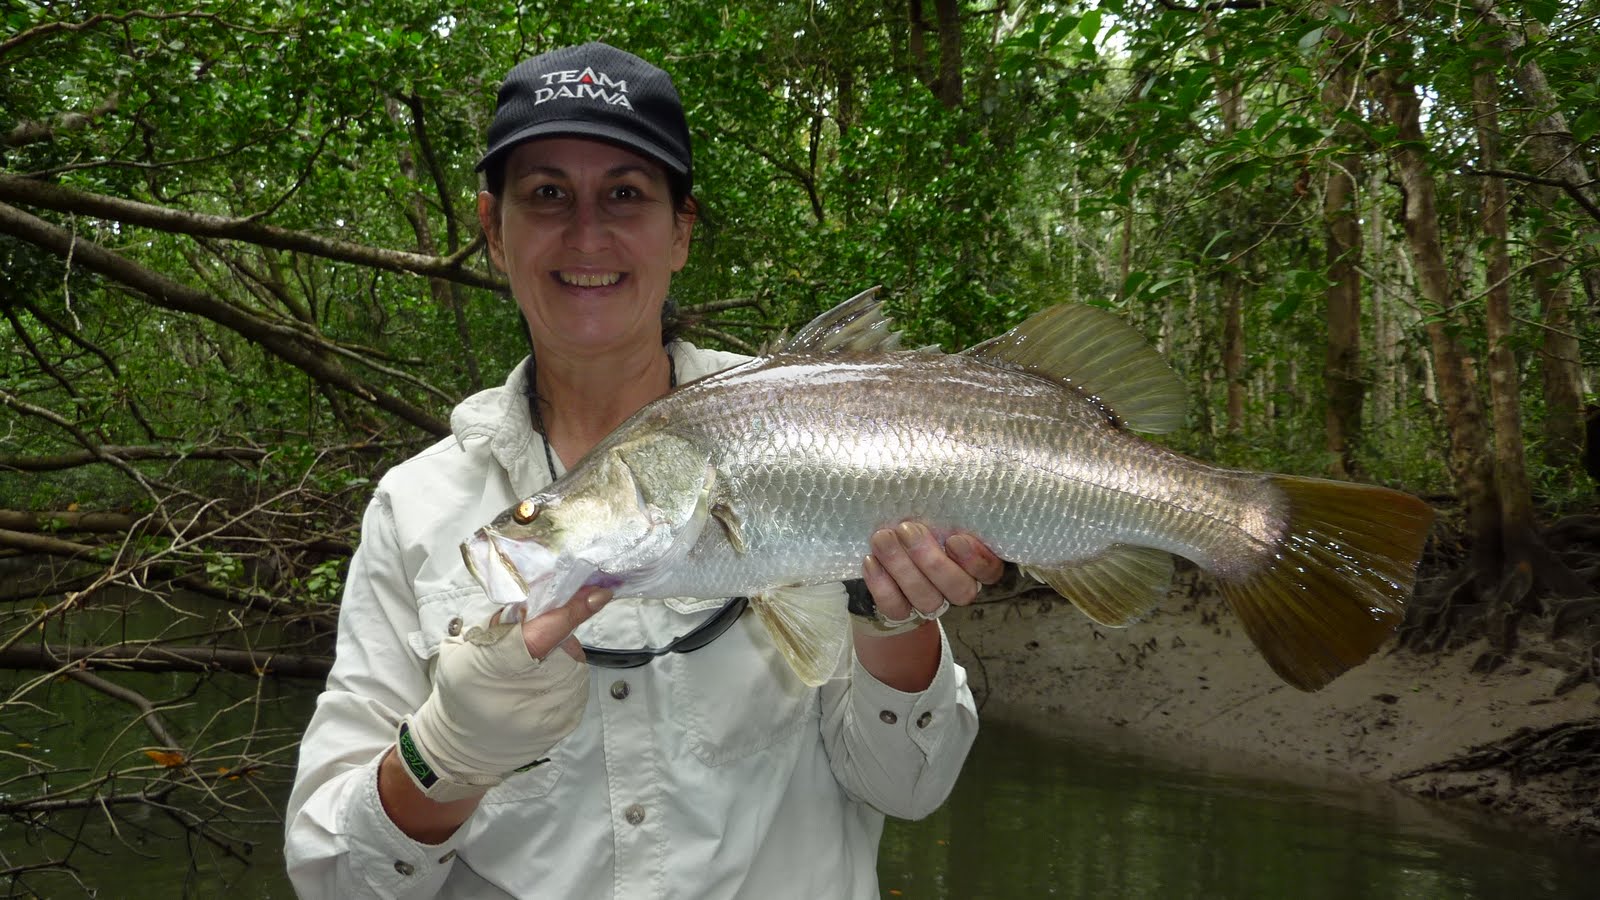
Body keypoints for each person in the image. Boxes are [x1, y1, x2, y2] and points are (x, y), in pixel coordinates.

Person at [285, 42, 1003, 899]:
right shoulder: (414, 508)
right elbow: (334, 881)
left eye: (625, 194)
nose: (587, 233)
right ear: (492, 229)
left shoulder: (829, 437)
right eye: (547, 194)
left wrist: (894, 622)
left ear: (681, 231)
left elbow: (910, 790)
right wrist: (444, 754)